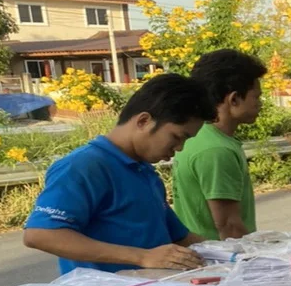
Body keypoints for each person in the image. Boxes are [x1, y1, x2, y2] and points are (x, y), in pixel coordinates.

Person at [23, 73, 215, 273]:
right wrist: (142, 256)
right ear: (143, 121)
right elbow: (40, 234)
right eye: (177, 137)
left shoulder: (144, 171)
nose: (179, 148)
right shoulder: (85, 166)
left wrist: (229, 252)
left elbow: (180, 238)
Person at [171, 49, 265, 240]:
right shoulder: (217, 150)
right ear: (234, 99)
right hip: (222, 260)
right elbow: (229, 227)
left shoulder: (198, 136)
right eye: (256, 97)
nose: (260, 104)